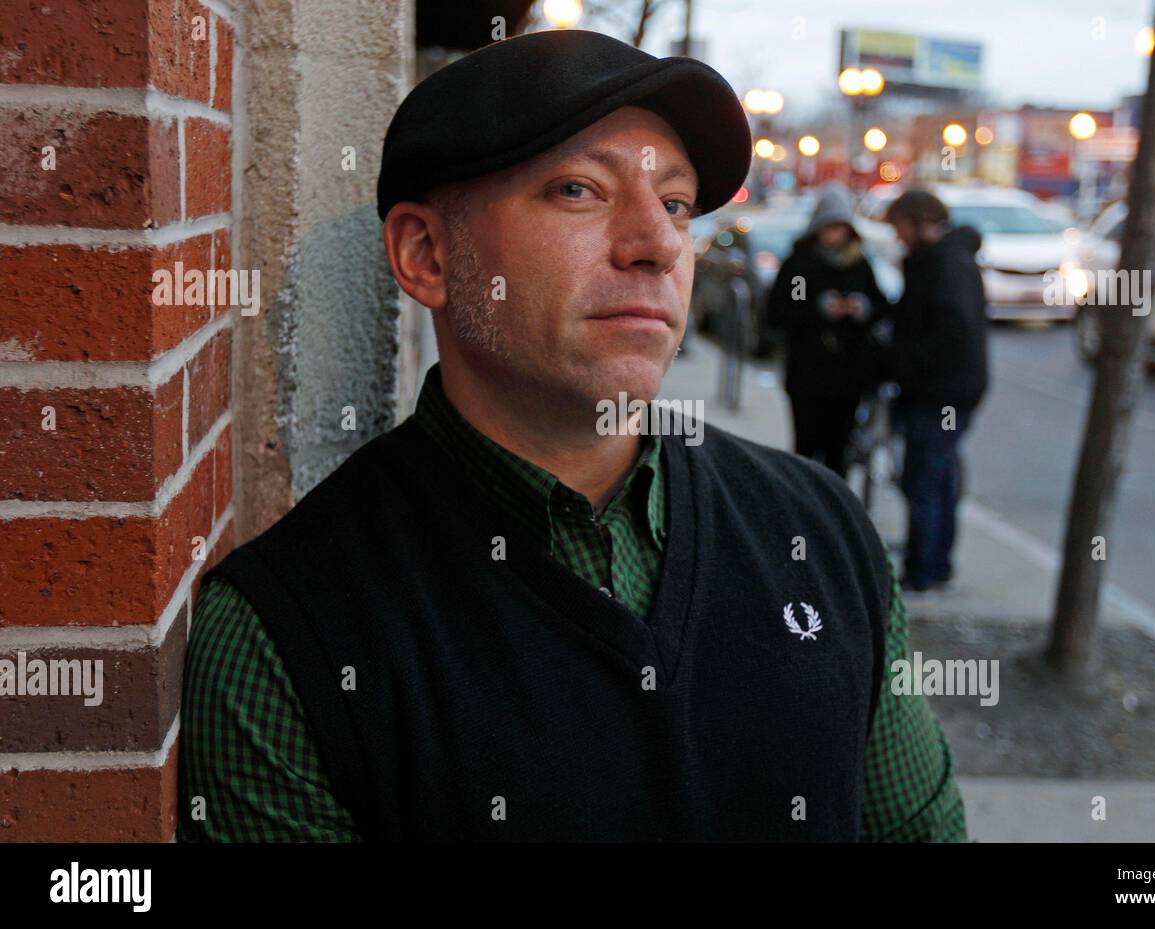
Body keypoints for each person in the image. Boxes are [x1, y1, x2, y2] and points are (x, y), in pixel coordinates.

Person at [178, 29, 964, 842]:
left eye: (676, 203)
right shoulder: (286, 634)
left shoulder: (821, 533)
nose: (658, 245)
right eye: (578, 191)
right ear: (426, 254)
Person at [882, 189, 990, 592]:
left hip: (939, 395)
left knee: (925, 479)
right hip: (947, 391)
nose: (898, 238)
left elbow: (946, 334)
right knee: (938, 477)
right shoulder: (944, 261)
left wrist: (906, 367)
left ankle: (925, 568)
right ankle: (934, 562)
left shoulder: (943, 265)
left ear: (919, 222)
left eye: (900, 228)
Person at [765, 183, 890, 477]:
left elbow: (880, 304)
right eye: (831, 227)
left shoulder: (859, 264)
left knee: (839, 452)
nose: (837, 236)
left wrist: (861, 308)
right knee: (806, 451)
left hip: (848, 377)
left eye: (842, 228)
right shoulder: (800, 264)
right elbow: (779, 312)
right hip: (808, 375)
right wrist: (819, 309)